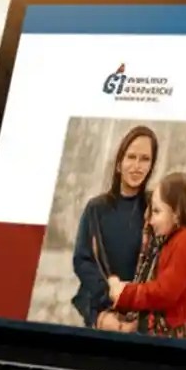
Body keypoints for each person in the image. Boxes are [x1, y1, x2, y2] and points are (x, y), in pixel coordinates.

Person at [71, 126, 157, 330]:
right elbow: (82, 260)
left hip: (140, 314)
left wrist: (137, 311)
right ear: (119, 163)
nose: (137, 166)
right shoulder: (96, 208)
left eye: (145, 159)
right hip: (100, 310)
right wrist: (107, 299)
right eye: (131, 157)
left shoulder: (155, 208)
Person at [107, 172, 186, 339]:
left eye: (156, 211)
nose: (151, 220)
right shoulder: (175, 239)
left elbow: (165, 292)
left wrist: (125, 293)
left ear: (176, 212)